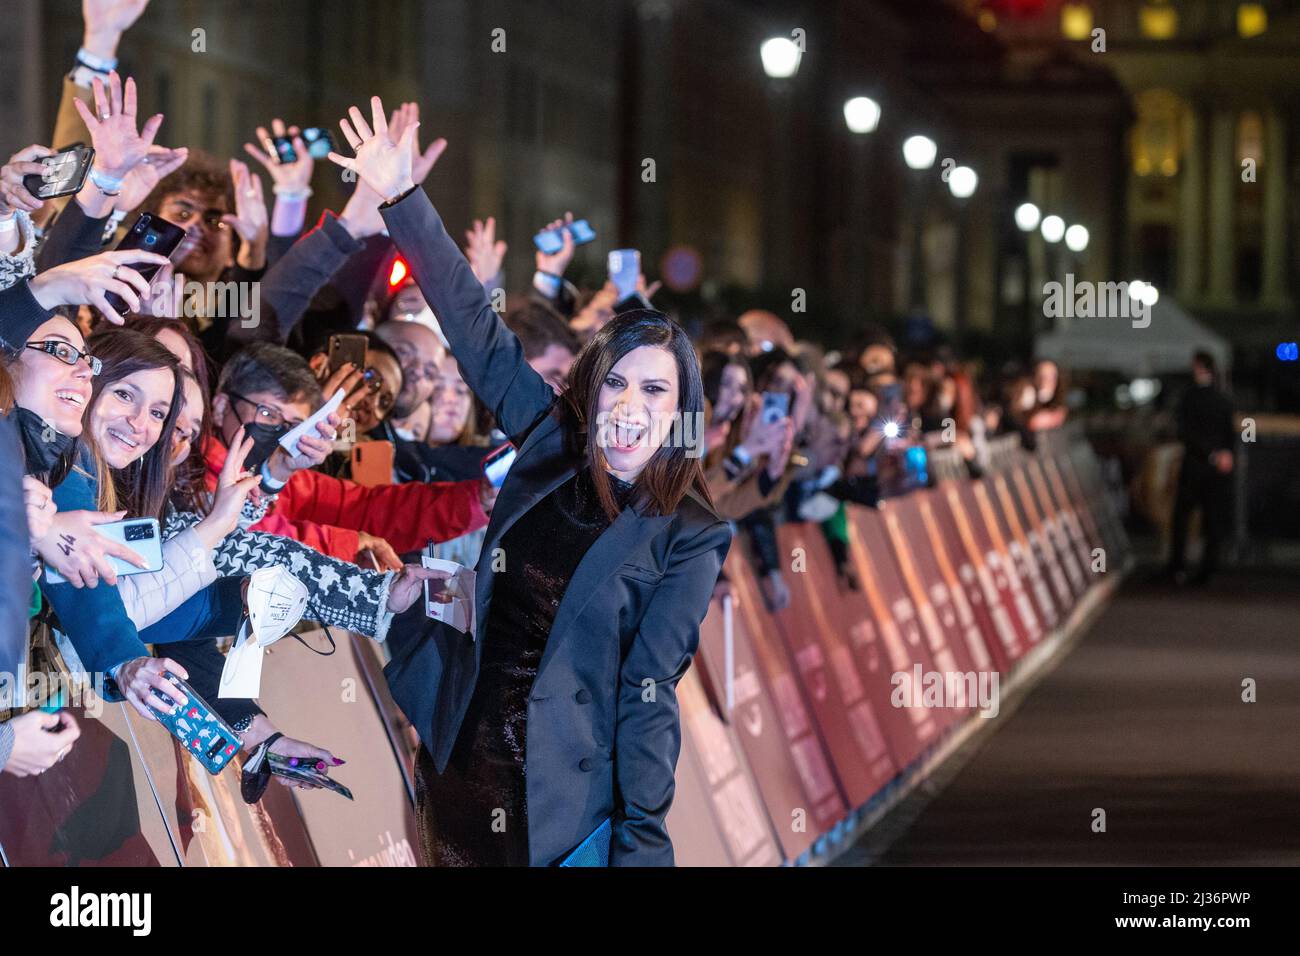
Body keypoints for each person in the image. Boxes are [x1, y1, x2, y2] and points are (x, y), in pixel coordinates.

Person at [331, 95, 731, 866]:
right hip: (459, 769)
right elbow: (476, 332)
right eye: (617, 384)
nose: (630, 408)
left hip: (558, 809)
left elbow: (649, 696)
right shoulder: (551, 444)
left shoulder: (690, 534)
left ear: (682, 412)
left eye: (655, 391)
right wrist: (402, 197)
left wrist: (642, 845)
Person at [1166, 350, 1235, 586]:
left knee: (1182, 518)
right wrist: (1224, 455)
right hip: (1216, 470)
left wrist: (1210, 455)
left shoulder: (1188, 398)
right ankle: (1209, 569)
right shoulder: (1223, 398)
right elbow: (1230, 432)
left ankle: (1177, 566)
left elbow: (1185, 433)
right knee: (1212, 520)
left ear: (1197, 367)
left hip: (1195, 467)